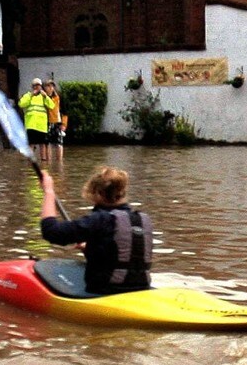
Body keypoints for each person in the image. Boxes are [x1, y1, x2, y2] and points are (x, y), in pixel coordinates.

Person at [38, 165, 153, 294]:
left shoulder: (100, 219)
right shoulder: (144, 219)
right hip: (142, 288)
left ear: (99, 194)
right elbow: (124, 252)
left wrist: (49, 192)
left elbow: (51, 232)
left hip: (107, 291)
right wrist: (92, 248)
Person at [18, 79, 52, 154]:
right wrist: (31, 95)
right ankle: (30, 161)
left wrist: (46, 96)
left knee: (42, 144)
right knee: (31, 144)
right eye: (35, 85)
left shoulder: (43, 96)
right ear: (32, 87)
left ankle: (44, 163)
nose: (37, 87)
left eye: (38, 85)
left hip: (41, 126)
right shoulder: (27, 95)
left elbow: (52, 106)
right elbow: (21, 104)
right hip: (31, 125)